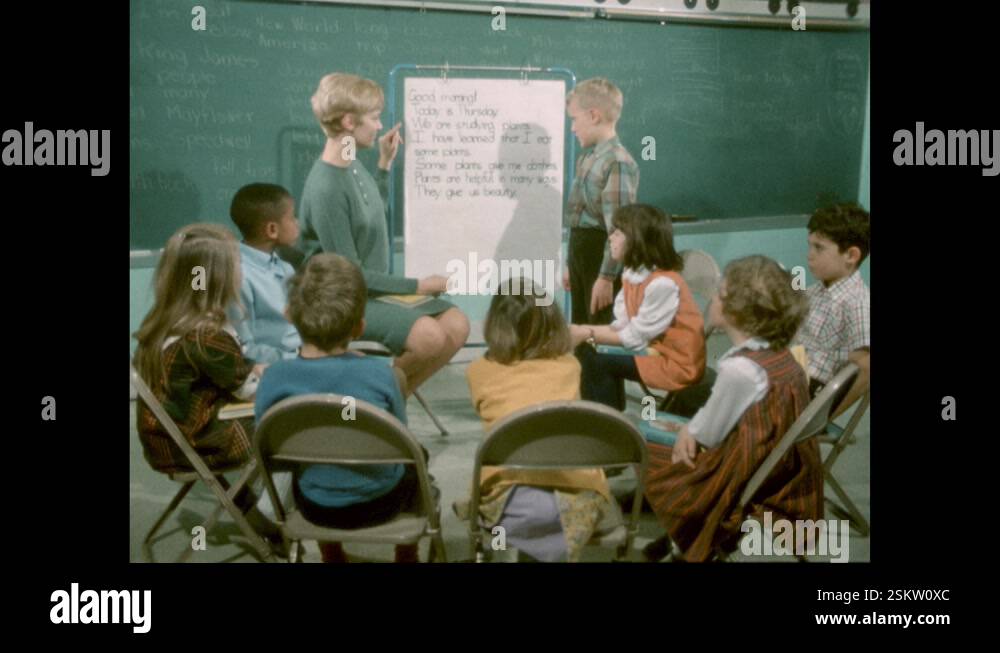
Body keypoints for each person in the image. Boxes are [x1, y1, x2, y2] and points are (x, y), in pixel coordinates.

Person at [299, 72, 469, 396]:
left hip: (370, 292)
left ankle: (386, 400)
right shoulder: (327, 186)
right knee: (430, 337)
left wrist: (383, 165)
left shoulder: (352, 165)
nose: (379, 126)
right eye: (374, 118)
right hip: (341, 300)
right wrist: (419, 285)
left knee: (457, 324)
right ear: (349, 121)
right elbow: (350, 276)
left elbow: (370, 213)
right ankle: (376, 402)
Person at [254, 253, 429, 563]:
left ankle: (330, 552)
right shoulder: (384, 375)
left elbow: (270, 454)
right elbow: (403, 446)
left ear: (288, 315)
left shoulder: (272, 378)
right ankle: (407, 552)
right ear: (360, 326)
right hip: (381, 503)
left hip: (314, 507)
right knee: (420, 457)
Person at [642, 256, 819, 562]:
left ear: (736, 312)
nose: (712, 298)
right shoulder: (781, 357)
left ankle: (685, 539)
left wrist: (688, 429)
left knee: (644, 444)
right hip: (775, 469)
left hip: (733, 472)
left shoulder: (740, 370)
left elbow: (709, 432)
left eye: (719, 293)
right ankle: (682, 539)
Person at [133, 224, 281, 547]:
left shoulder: (165, 321)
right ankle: (272, 517)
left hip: (166, 441)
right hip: (200, 443)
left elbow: (224, 370)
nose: (241, 273)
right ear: (219, 278)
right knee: (292, 424)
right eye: (237, 266)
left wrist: (249, 367)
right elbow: (250, 389)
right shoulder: (207, 334)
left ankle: (251, 508)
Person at [464, 278, 614, 562]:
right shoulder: (570, 366)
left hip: (510, 502)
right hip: (577, 500)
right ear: (553, 322)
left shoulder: (478, 371)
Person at [570, 204, 705, 411]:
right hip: (653, 351)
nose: (610, 237)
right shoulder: (632, 275)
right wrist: (580, 333)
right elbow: (621, 326)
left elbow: (634, 338)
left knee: (597, 361)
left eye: (617, 232)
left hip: (676, 363)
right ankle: (611, 417)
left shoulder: (663, 283)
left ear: (637, 239)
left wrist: (585, 332)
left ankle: (608, 425)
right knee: (587, 352)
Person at [563, 78, 640, 325]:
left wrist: (607, 277)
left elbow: (619, 229)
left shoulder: (616, 162)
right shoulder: (588, 159)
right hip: (582, 253)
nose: (572, 128)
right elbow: (579, 218)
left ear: (594, 116)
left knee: (599, 327)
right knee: (582, 326)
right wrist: (570, 264)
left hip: (600, 257)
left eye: (574, 119)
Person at [795, 203, 870, 416]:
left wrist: (822, 419)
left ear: (851, 255)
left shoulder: (858, 303)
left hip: (811, 390)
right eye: (810, 245)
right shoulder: (817, 289)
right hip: (794, 374)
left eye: (819, 247)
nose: (810, 255)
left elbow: (866, 368)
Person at [228, 182, 302, 363]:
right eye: (292, 218)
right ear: (272, 230)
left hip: (304, 356)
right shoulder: (239, 276)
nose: (297, 223)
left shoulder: (286, 267)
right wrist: (298, 359)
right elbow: (244, 347)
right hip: (278, 366)